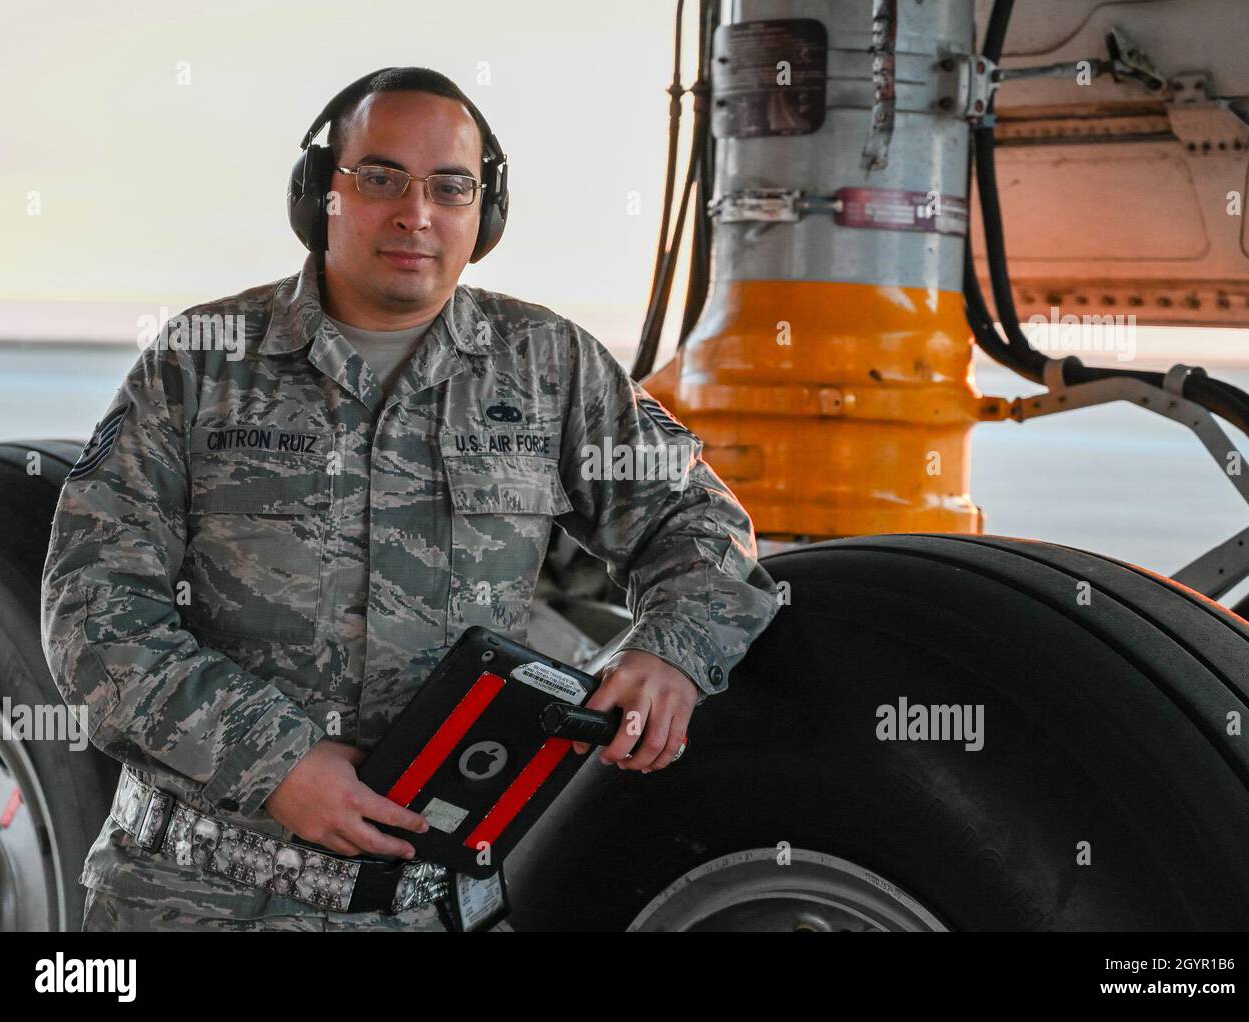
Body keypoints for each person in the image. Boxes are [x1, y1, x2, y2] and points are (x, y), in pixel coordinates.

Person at [40, 67, 782, 932]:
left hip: (426, 910)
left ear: (484, 213)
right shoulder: (201, 362)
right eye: (381, 177)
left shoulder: (549, 367)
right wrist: (273, 762)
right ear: (321, 193)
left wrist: (669, 652)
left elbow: (698, 525)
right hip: (193, 899)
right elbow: (91, 608)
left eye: (451, 187)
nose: (416, 214)